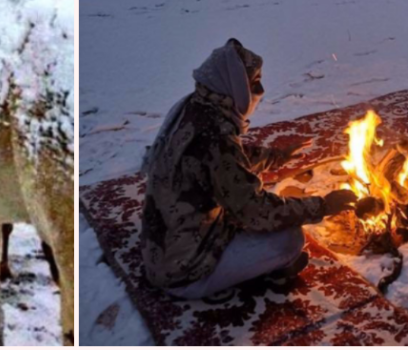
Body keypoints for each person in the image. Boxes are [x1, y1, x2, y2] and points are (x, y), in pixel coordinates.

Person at [140, 39, 357, 299]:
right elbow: (255, 210)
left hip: (162, 245)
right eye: (253, 83)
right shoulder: (214, 134)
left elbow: (222, 165)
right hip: (184, 270)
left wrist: (275, 157)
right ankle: (249, 274)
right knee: (290, 239)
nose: (259, 91)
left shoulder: (191, 107)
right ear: (233, 83)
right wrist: (322, 206)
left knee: (260, 207)